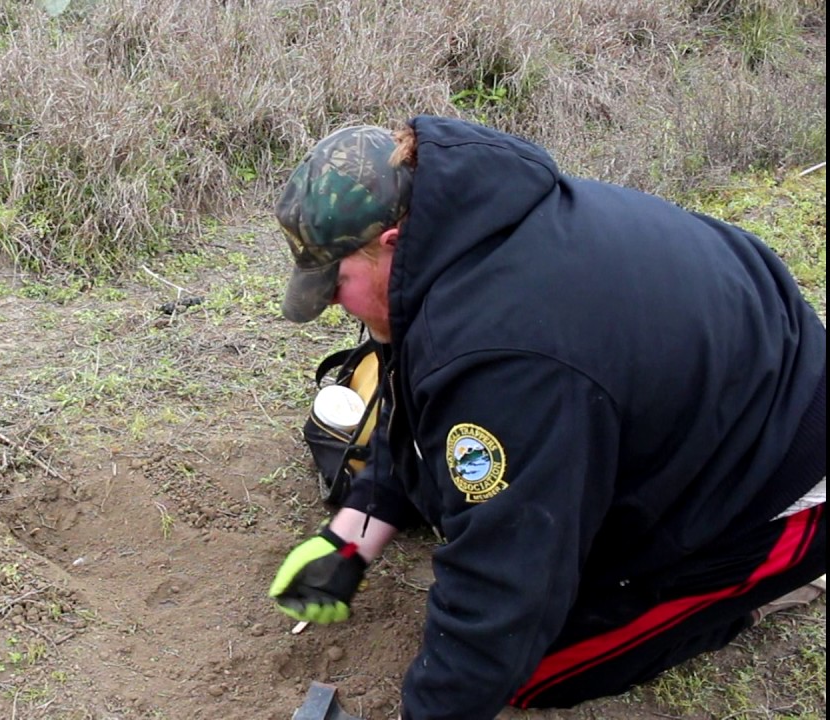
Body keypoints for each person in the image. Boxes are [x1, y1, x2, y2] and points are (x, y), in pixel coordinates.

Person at [266, 118, 826, 720]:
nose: (328, 302)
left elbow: (503, 595)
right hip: (726, 385)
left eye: (336, 282)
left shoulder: (506, 359)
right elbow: (419, 406)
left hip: (787, 478)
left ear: (395, 242)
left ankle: (750, 590)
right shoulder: (468, 227)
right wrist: (351, 535)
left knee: (536, 665)